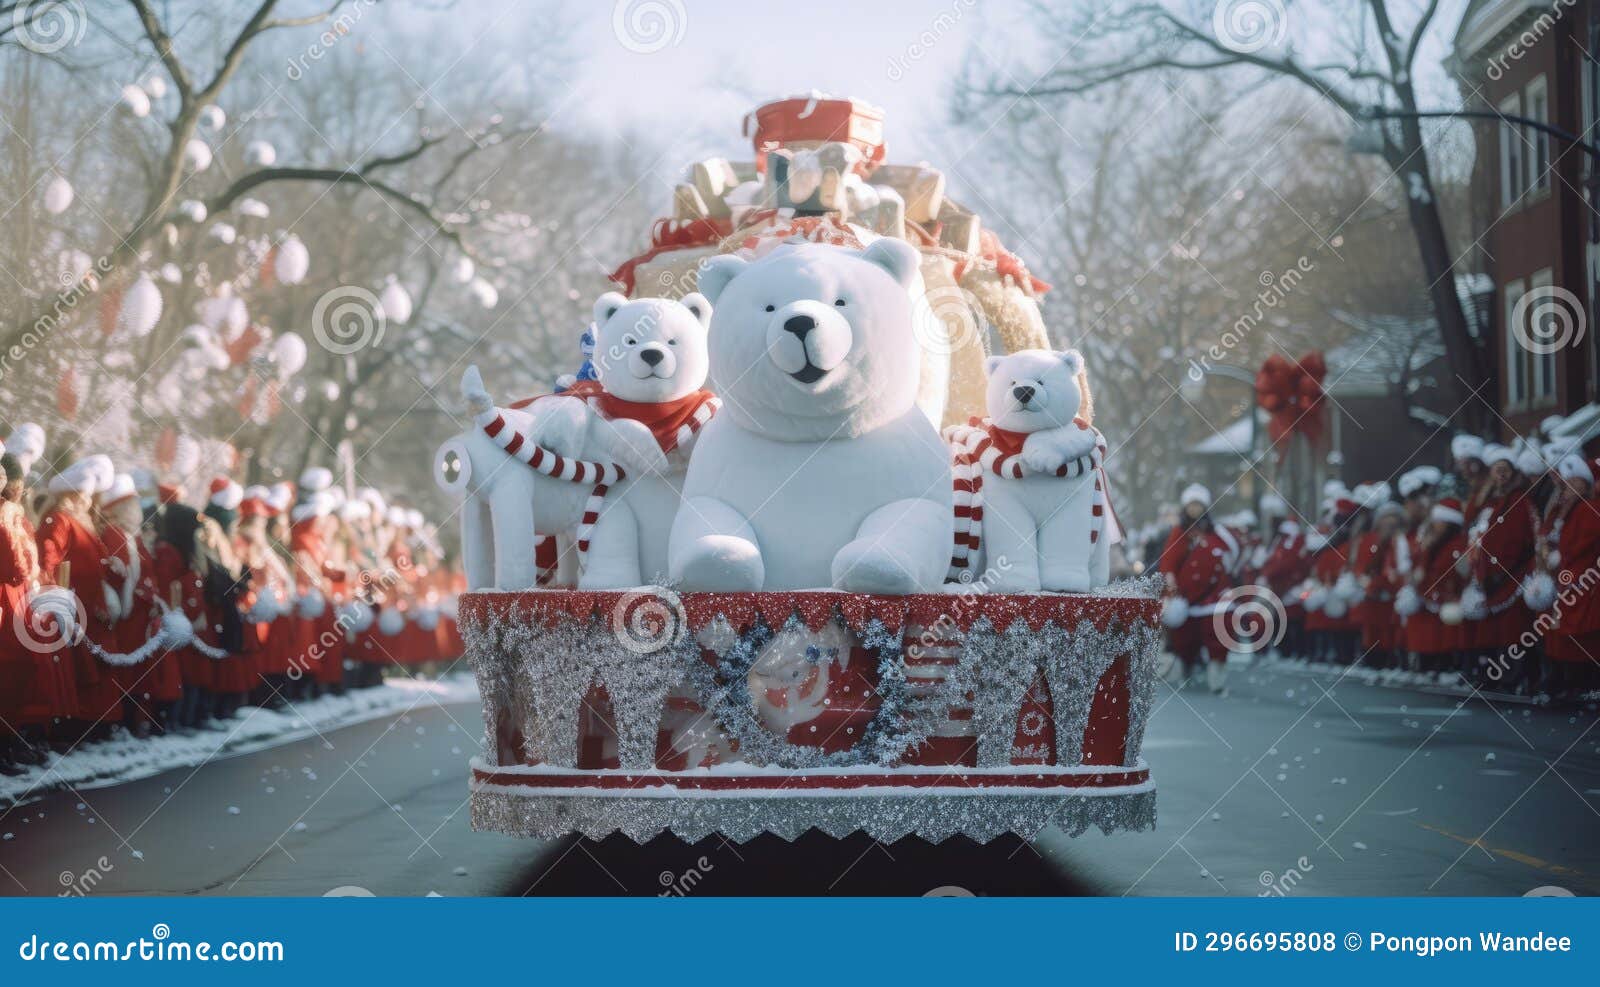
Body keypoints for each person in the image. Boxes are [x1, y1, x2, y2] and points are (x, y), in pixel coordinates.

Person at [36, 455, 117, 741]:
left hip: (90, 606)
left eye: (87, 496)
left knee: (89, 670)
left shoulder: (83, 523)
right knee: (74, 669)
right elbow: (48, 558)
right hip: (72, 605)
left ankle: (90, 723)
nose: (85, 502)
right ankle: (70, 727)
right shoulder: (59, 520)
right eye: (80, 496)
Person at [1157, 483, 1236, 693]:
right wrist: (1171, 583)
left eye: (1198, 505)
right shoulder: (1179, 532)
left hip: (1214, 597)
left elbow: (1232, 554)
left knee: (1217, 638)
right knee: (1185, 639)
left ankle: (1217, 678)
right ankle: (1187, 669)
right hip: (1186, 598)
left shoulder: (1216, 531)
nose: (1194, 509)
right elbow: (1169, 562)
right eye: (1191, 505)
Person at [0, 453, 40, 773]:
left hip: (16, 600)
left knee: (17, 673)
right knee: (10, 673)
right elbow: (16, 568)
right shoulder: (7, 515)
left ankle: (10, 743)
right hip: (7, 598)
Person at [1403, 497, 1469, 675]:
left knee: (1446, 634)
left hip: (1447, 598)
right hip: (1429, 597)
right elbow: (1422, 568)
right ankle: (1428, 664)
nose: (1435, 525)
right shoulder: (1432, 544)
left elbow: (1460, 572)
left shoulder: (1458, 545)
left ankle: (1448, 665)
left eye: (1439, 521)